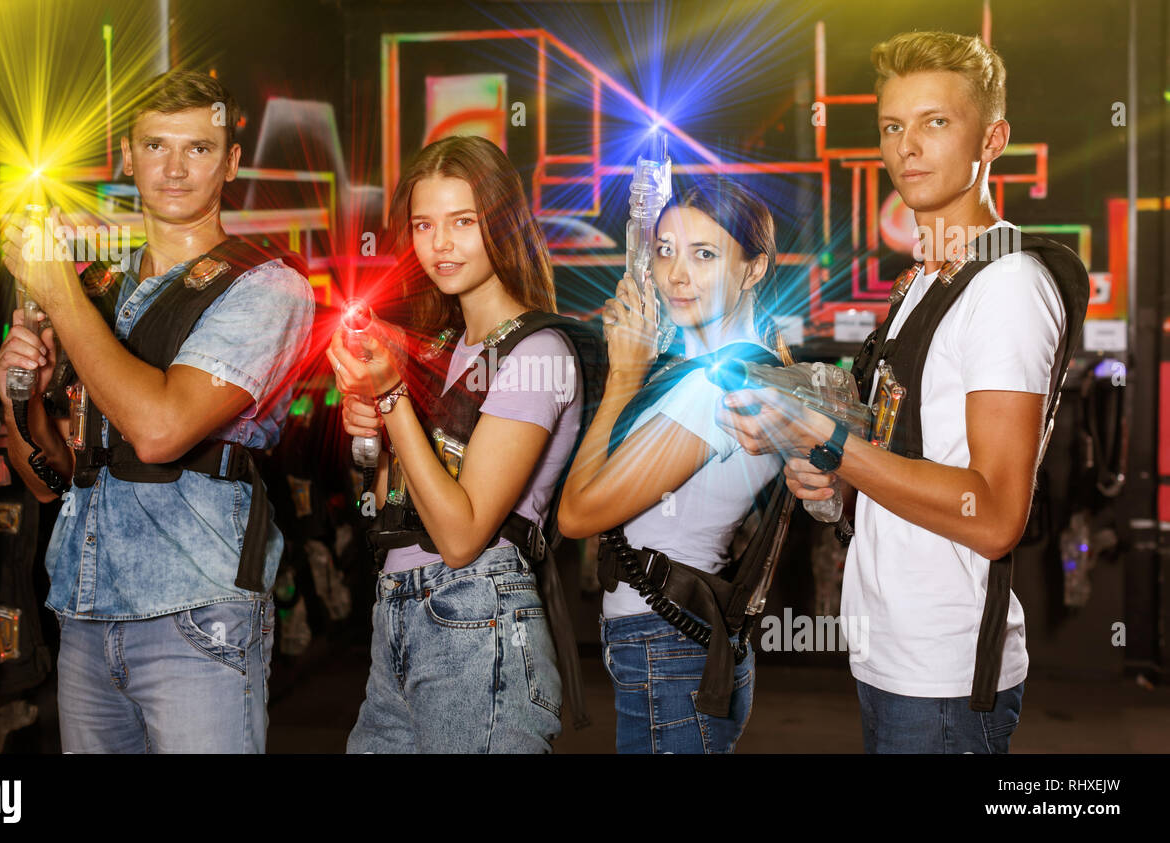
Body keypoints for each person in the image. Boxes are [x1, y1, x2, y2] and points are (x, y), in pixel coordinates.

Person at [716, 31, 1089, 753]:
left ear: (993, 138)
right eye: (893, 126)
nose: (907, 146)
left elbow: (995, 515)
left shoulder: (1007, 286)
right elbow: (891, 463)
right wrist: (820, 464)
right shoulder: (919, 281)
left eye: (936, 122)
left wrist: (830, 442)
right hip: (889, 656)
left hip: (944, 677)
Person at [0, 70, 314, 753]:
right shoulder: (99, 292)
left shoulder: (267, 287)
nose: (173, 168)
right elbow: (46, 475)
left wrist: (58, 294)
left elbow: (161, 430)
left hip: (198, 613)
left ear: (230, 161)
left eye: (198, 148)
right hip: (84, 614)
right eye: (156, 145)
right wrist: (19, 397)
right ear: (127, 155)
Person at [327, 135, 592, 753]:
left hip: (478, 611)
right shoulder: (442, 349)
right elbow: (396, 503)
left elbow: (461, 534)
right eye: (424, 225)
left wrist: (391, 399)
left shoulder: (539, 353)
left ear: (501, 224)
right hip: (397, 610)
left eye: (463, 222)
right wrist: (371, 424)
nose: (439, 244)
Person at [557, 177, 792, 753]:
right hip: (663, 638)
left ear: (754, 267)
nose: (676, 275)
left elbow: (579, 513)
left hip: (669, 643)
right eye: (665, 251)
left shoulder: (721, 384)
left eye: (704, 255)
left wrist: (621, 378)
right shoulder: (697, 367)